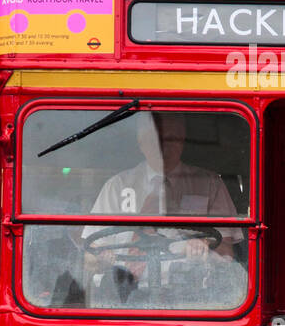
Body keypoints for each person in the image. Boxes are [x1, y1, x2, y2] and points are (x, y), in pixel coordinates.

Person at [88, 112, 240, 262]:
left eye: (170, 139)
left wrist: (205, 245)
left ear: (182, 139)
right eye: (155, 139)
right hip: (123, 281)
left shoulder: (210, 184)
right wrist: (101, 260)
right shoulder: (117, 186)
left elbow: (226, 254)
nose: (163, 147)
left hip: (187, 283)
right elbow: (90, 254)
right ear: (141, 142)